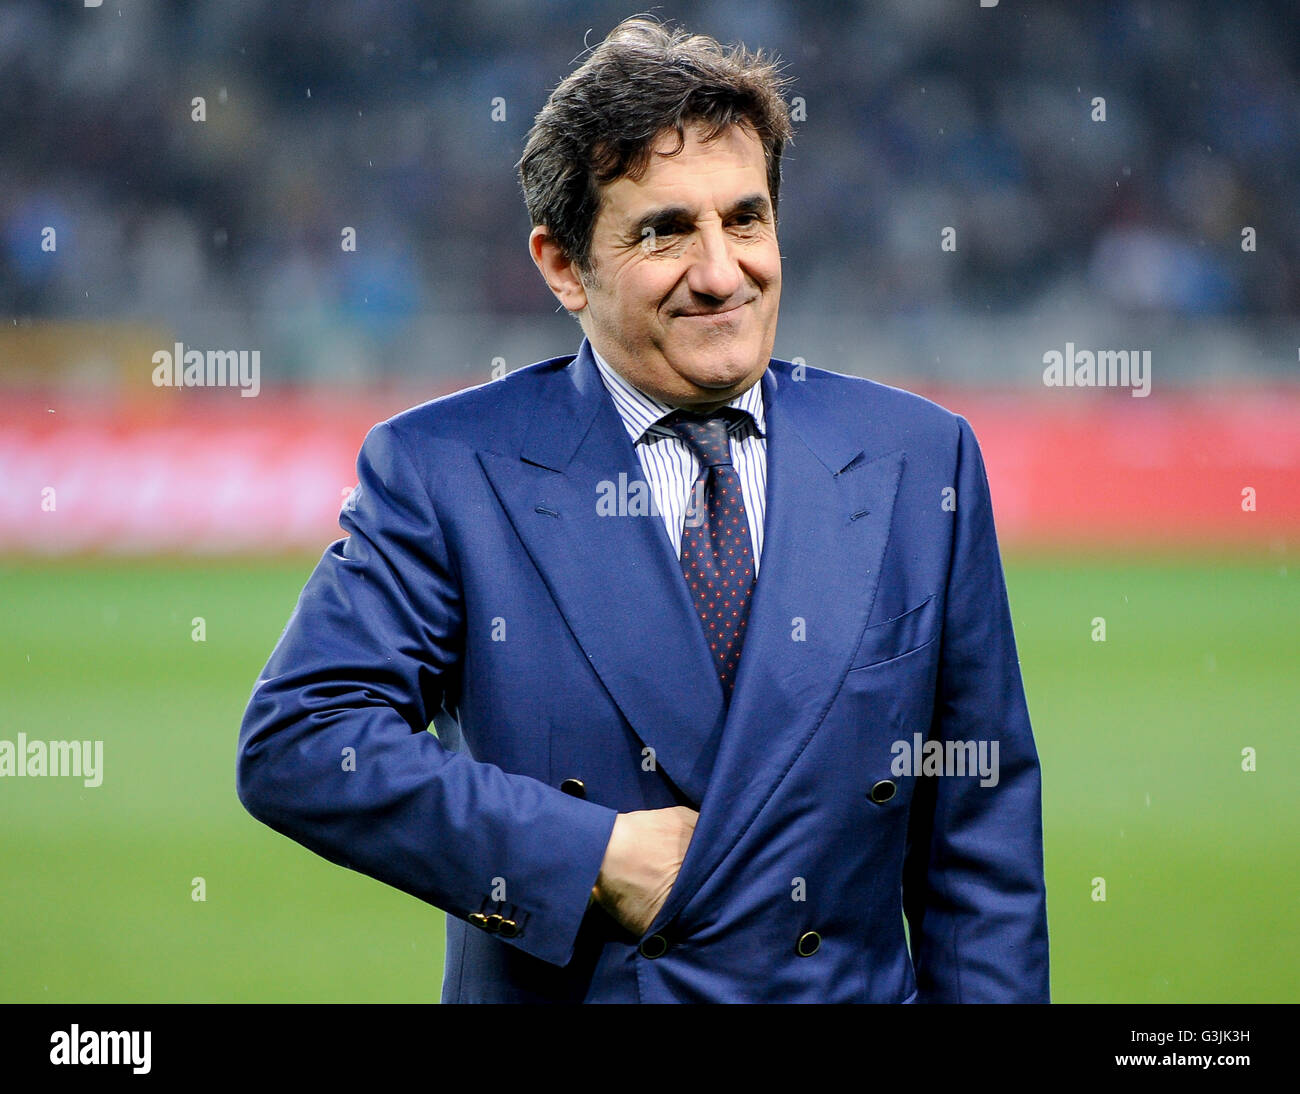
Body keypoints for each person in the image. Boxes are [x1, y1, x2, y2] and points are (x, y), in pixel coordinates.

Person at [237, 16, 1049, 1003]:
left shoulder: (919, 460)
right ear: (563, 266)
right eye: (664, 231)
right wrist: (585, 855)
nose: (721, 272)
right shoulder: (447, 472)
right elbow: (302, 740)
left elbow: (982, 844)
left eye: (744, 220)